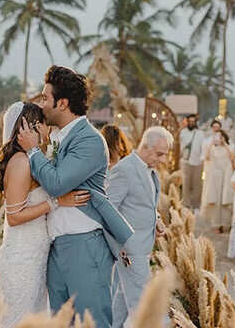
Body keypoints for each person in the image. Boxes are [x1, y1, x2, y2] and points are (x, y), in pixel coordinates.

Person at [17, 65, 133, 328]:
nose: (42, 104)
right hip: (57, 244)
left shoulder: (89, 140)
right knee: (61, 322)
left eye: (46, 98)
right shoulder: (58, 136)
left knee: (91, 322)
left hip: (85, 245)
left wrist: (34, 152)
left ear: (63, 103)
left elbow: (57, 183)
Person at [0, 102, 87, 328]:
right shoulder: (20, 163)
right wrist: (55, 202)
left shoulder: (35, 158)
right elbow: (14, 217)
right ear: (26, 128)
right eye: (41, 124)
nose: (46, 129)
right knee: (18, 320)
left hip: (35, 255)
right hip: (21, 258)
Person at [106, 126, 171, 328]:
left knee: (119, 303)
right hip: (130, 252)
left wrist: (157, 219)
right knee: (144, 306)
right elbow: (108, 210)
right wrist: (121, 248)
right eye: (160, 154)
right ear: (145, 147)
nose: (163, 160)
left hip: (143, 247)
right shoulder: (124, 170)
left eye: (165, 155)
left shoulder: (151, 172)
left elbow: (145, 203)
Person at [201, 130, 235, 233]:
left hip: (226, 175)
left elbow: (232, 158)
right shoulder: (212, 148)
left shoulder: (229, 147)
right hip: (215, 176)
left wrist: (225, 145)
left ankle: (226, 223)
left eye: (221, 137)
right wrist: (211, 144)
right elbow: (207, 158)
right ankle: (216, 224)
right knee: (215, 201)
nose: (219, 139)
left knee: (224, 200)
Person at [179, 114, 205, 211]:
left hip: (197, 162)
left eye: (193, 121)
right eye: (190, 121)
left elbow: (203, 147)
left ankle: (196, 205)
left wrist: (202, 160)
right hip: (186, 161)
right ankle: (186, 204)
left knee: (197, 184)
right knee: (186, 184)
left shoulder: (200, 133)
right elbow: (180, 146)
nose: (191, 123)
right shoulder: (183, 132)